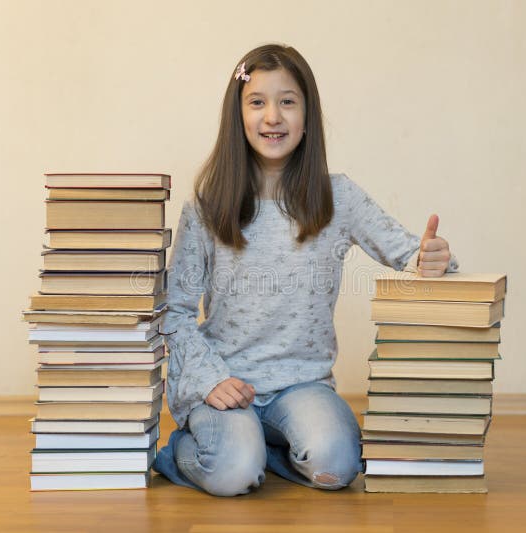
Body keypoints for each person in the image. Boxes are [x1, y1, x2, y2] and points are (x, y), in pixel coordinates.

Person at [152, 43, 458, 497]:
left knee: (338, 467)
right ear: (237, 115)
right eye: (257, 102)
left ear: (307, 116)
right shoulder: (207, 206)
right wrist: (208, 379)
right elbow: (174, 310)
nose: (272, 116)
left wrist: (434, 259)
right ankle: (189, 451)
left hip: (302, 385)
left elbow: (414, 256)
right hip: (226, 380)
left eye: (287, 101)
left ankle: (267, 452)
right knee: (233, 472)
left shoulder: (339, 197)